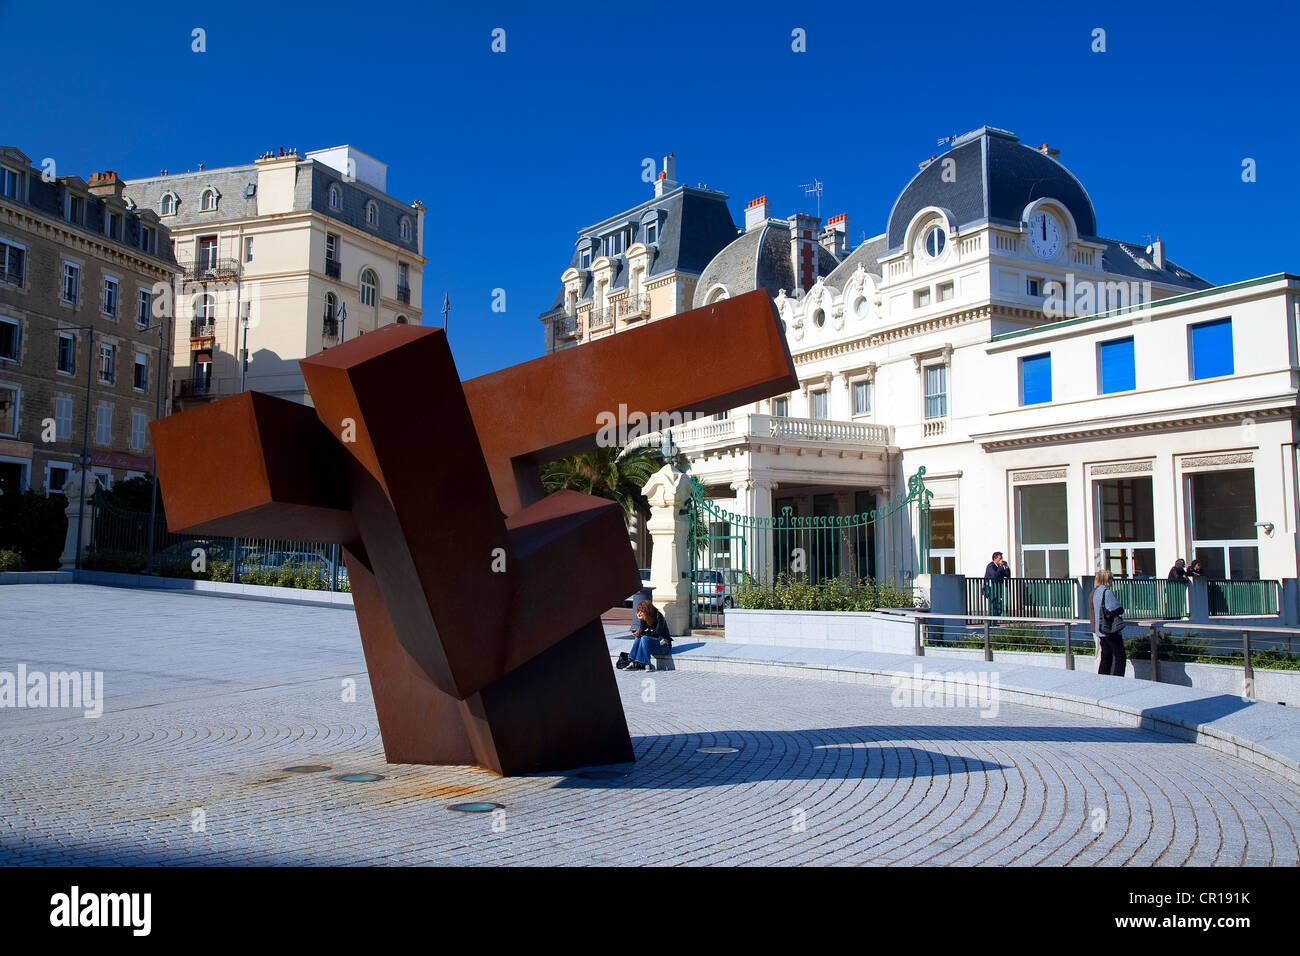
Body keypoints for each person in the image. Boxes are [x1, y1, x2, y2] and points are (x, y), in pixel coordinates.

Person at [1089, 569, 1127, 677]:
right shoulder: (1107, 592)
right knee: (1120, 656)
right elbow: (1117, 609)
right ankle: (1118, 678)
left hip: (1100, 629)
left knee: (1106, 656)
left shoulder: (1095, 592)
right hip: (1110, 629)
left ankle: (1103, 679)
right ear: (1106, 579)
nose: (1112, 581)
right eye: (1111, 578)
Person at [620, 599, 672, 672]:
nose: (640, 613)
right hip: (651, 644)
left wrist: (642, 633)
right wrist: (640, 626)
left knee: (644, 638)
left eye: (642, 611)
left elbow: (657, 633)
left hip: (663, 645)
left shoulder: (659, 616)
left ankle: (646, 664)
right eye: (639, 611)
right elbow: (642, 631)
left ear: (647, 611)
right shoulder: (644, 618)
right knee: (638, 637)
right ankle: (633, 662)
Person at [983, 551, 1011, 616]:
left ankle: (996, 619)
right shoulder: (991, 566)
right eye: (1000, 558)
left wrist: (1006, 567)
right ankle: (992, 621)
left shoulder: (999, 567)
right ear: (995, 559)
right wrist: (1001, 567)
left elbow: (1007, 575)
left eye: (1002, 558)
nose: (1001, 560)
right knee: (993, 605)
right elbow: (994, 576)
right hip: (990, 588)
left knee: (999, 604)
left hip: (997, 588)